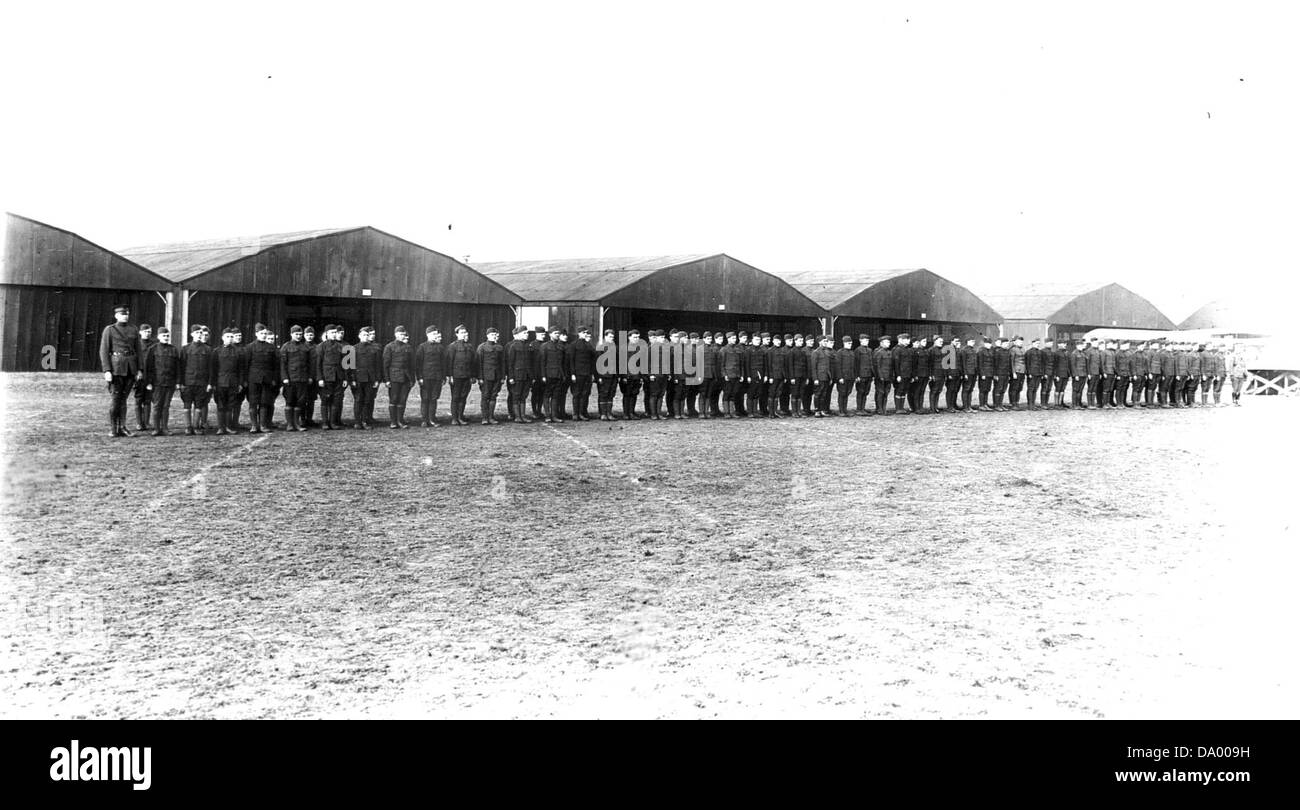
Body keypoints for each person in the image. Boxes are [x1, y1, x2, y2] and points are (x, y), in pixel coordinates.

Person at [98, 305, 142, 437]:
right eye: (122, 314)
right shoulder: (110, 330)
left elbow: (138, 350)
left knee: (124, 399)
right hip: (116, 369)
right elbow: (104, 351)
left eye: (127, 314)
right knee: (116, 399)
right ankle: (113, 428)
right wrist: (107, 370)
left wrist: (140, 369)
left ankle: (122, 427)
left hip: (130, 368)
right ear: (116, 316)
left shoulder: (133, 329)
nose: (125, 316)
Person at [143, 326, 180, 436]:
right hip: (157, 383)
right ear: (158, 337)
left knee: (166, 406)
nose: (166, 337)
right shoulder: (153, 349)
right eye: (163, 336)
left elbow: (177, 367)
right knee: (157, 406)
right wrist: (148, 382)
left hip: (170, 383)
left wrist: (177, 382)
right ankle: (156, 428)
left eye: (167, 336)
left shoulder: (173, 349)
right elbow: (148, 367)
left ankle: (165, 428)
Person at [177, 324, 214, 435]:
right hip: (188, 382)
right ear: (192, 334)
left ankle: (196, 426)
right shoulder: (185, 349)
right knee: (187, 404)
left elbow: (211, 368)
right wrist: (180, 382)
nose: (199, 335)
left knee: (199, 404)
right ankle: (188, 427)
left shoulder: (208, 350)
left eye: (201, 333)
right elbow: (181, 367)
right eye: (197, 333)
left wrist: (209, 383)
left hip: (202, 383)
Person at [211, 327, 246, 436]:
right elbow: (213, 369)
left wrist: (240, 383)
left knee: (231, 405)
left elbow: (241, 369)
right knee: (221, 405)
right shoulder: (216, 351)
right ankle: (221, 427)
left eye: (231, 337)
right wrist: (213, 384)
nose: (230, 339)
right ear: (222, 338)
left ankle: (229, 426)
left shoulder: (238, 352)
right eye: (228, 337)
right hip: (220, 382)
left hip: (233, 382)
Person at [279, 325, 312, 431]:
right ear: (291, 334)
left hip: (302, 379)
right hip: (290, 379)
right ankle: (289, 424)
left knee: (300, 402)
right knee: (289, 401)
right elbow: (283, 364)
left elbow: (310, 364)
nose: (298, 336)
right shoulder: (286, 347)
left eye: (300, 334)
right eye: (296, 334)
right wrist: (284, 377)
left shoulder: (305, 347)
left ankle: (297, 423)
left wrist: (310, 377)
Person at [414, 326, 448, 427]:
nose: (434, 336)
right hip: (425, 378)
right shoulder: (422, 347)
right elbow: (418, 364)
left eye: (436, 334)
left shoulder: (440, 347)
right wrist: (419, 377)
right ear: (427, 335)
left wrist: (443, 377)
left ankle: (432, 419)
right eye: (432, 334)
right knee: (425, 398)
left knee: (434, 398)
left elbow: (443, 364)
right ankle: (424, 420)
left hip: (437, 377)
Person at [383, 325, 416, 428]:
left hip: (406, 378)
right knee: (394, 398)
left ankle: (400, 421)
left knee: (403, 399)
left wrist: (412, 379)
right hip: (394, 377)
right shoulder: (389, 347)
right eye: (400, 334)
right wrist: (387, 380)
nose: (402, 336)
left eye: (403, 334)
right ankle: (393, 422)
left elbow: (412, 365)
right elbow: (385, 365)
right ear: (396, 334)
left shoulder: (408, 347)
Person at [351, 326, 383, 430]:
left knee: (367, 400)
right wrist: (352, 379)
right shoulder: (353, 348)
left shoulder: (374, 349)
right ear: (359, 336)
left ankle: (365, 421)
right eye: (363, 335)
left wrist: (377, 380)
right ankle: (357, 422)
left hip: (370, 379)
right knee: (358, 399)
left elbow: (378, 365)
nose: (366, 337)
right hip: (358, 378)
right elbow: (350, 366)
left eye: (367, 335)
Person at [445, 324, 478, 426]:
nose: (465, 334)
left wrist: (473, 375)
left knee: (463, 397)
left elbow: (473, 362)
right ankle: (454, 419)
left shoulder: (470, 346)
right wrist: (450, 376)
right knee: (455, 397)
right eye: (462, 333)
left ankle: (460, 416)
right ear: (457, 334)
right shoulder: (452, 346)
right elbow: (449, 362)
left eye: (466, 332)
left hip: (467, 376)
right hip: (456, 376)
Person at [477, 326, 506, 425]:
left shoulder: (500, 347)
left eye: (495, 335)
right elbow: (479, 363)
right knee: (485, 396)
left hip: (497, 376)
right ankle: (485, 418)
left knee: (493, 396)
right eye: (492, 335)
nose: (494, 336)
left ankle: (491, 417)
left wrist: (502, 377)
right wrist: (480, 377)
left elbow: (502, 363)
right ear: (487, 336)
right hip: (486, 376)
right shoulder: (482, 347)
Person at [508, 326, 536, 423]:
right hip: (517, 375)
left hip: (527, 375)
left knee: (524, 396)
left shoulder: (528, 346)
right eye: (524, 333)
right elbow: (510, 363)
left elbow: (531, 363)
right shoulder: (514, 346)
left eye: (527, 333)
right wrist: (511, 377)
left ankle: (523, 415)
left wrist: (532, 376)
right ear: (519, 335)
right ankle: (517, 416)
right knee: (516, 395)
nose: (527, 335)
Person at [568, 325, 597, 420]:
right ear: (579, 333)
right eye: (583, 333)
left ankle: (582, 413)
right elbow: (571, 360)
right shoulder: (574, 345)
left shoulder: (588, 345)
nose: (585, 334)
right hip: (578, 373)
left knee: (585, 394)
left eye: (586, 333)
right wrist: (572, 374)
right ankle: (575, 414)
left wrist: (591, 374)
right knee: (577, 393)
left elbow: (593, 358)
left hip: (587, 373)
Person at [132, 322, 157, 432]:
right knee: (138, 400)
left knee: (147, 400)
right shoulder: (136, 345)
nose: (147, 334)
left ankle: (146, 422)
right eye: (145, 332)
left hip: (150, 376)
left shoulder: (154, 345)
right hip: (139, 377)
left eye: (149, 332)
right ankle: (139, 423)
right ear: (140, 332)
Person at [539, 325, 566, 423]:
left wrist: (563, 375)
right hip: (549, 374)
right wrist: (543, 375)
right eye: (555, 333)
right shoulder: (545, 346)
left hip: (558, 375)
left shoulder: (560, 346)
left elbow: (562, 363)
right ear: (550, 334)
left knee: (556, 396)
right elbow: (542, 362)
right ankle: (547, 416)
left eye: (558, 333)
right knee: (547, 395)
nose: (557, 335)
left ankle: (554, 416)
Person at [621, 328, 645, 420]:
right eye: (634, 337)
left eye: (638, 337)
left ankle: (631, 412)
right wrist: (623, 376)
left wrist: (641, 376)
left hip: (636, 376)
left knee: (634, 394)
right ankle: (626, 413)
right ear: (629, 338)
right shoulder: (624, 348)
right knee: (627, 394)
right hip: (627, 376)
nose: (636, 339)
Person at [893, 333, 915, 414]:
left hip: (907, 374)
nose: (909, 341)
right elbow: (896, 363)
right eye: (907, 339)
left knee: (904, 390)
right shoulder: (897, 349)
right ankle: (898, 408)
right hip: (901, 374)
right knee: (899, 390)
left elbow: (910, 363)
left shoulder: (907, 349)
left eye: (909, 339)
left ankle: (901, 407)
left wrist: (911, 375)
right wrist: (898, 375)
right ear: (901, 340)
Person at [530, 326, 548, 420]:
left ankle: (539, 410)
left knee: (542, 392)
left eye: (544, 334)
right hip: (535, 372)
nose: (543, 336)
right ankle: (534, 411)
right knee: (535, 393)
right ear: (537, 334)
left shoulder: (546, 344)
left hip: (543, 372)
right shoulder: (532, 345)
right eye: (541, 334)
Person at [834, 334, 855, 416]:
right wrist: (840, 377)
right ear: (844, 343)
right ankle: (841, 410)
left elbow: (854, 366)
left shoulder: (852, 353)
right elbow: (838, 366)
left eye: (850, 343)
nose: (850, 345)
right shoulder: (840, 353)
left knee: (847, 393)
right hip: (843, 377)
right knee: (842, 393)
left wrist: (854, 376)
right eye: (848, 343)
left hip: (850, 377)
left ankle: (845, 409)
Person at [873, 335, 894, 414]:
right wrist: (879, 376)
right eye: (887, 342)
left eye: (889, 342)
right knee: (880, 392)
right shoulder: (878, 352)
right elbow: (877, 365)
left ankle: (884, 408)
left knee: (886, 392)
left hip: (888, 376)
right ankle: (879, 409)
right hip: (881, 377)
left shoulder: (889, 352)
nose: (889, 343)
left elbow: (891, 366)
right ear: (881, 343)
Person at [853, 334, 873, 415]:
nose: (867, 342)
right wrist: (857, 376)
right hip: (861, 375)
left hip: (868, 374)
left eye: (867, 340)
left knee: (866, 392)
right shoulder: (858, 350)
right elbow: (856, 364)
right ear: (860, 341)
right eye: (865, 340)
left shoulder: (869, 350)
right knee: (860, 392)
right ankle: (859, 409)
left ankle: (863, 408)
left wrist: (872, 374)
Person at [990, 336, 1010, 411]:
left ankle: (1000, 404)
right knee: (998, 389)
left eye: (1007, 343)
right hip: (999, 374)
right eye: (1005, 343)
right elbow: (995, 364)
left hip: (1006, 373)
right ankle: (996, 405)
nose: (1007, 345)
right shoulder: (998, 352)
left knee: (1003, 390)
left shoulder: (1007, 352)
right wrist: (995, 374)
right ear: (1001, 344)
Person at [1068, 339, 1089, 409]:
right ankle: (1074, 404)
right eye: (1080, 345)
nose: (1081, 346)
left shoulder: (1083, 353)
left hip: (1083, 374)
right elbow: (1073, 365)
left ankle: (1079, 403)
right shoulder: (1074, 354)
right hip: (1078, 374)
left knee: (1080, 390)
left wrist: (1086, 374)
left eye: (1082, 345)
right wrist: (1075, 375)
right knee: (1076, 390)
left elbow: (1085, 364)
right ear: (1077, 346)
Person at [1007, 335, 1026, 410]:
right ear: (1015, 342)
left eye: (1021, 341)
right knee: (1014, 387)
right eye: (1019, 341)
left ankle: (1017, 402)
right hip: (1016, 371)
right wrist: (1013, 372)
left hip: (1022, 371)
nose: (1021, 343)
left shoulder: (1023, 349)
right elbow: (1011, 362)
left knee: (1019, 387)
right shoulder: (1013, 350)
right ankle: (1012, 403)